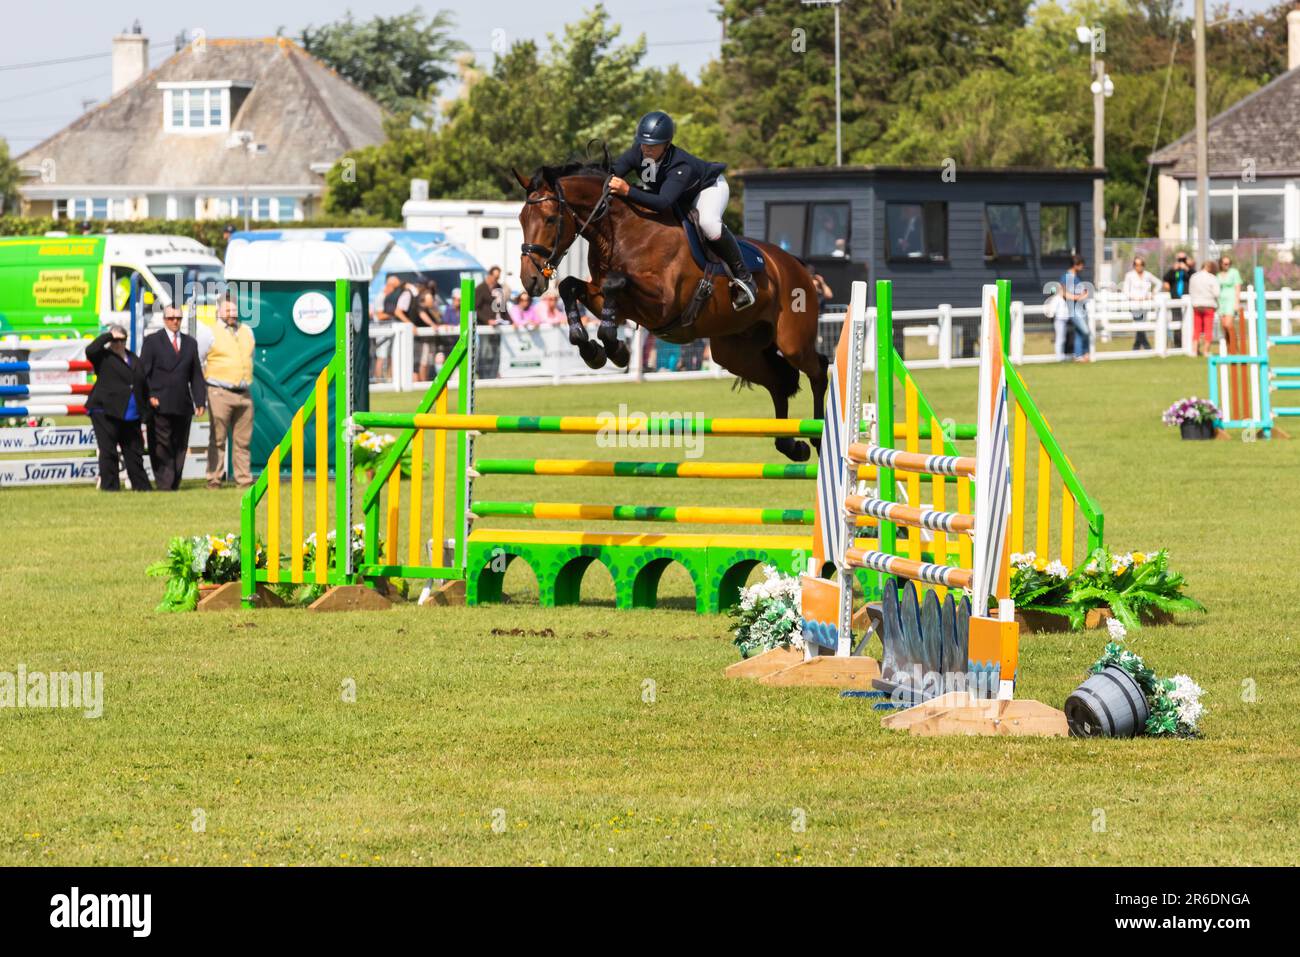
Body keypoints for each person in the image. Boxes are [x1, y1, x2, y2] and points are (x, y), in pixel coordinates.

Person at [608, 110, 756, 311]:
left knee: (709, 224)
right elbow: (610, 173)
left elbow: (662, 202)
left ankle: (744, 278)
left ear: (667, 144)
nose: (646, 149)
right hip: (677, 195)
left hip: (708, 189)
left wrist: (627, 190)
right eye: (643, 143)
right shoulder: (638, 151)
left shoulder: (680, 164)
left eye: (653, 146)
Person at [140, 305, 206, 491]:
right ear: (164, 320)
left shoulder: (190, 343)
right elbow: (143, 373)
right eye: (171, 318)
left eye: (178, 318)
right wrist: (150, 396)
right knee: (162, 445)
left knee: (180, 445)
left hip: (183, 403)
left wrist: (200, 400)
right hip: (159, 404)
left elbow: (196, 375)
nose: (175, 321)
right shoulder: (152, 342)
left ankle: (174, 482)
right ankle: (165, 483)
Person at [85, 324, 152, 491]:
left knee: (134, 453)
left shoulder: (133, 359)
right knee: (108, 452)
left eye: (121, 340)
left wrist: (145, 409)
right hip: (105, 411)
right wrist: (108, 335)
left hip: (130, 414)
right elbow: (90, 350)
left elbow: (142, 384)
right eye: (115, 340)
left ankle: (142, 486)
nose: (118, 344)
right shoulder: (102, 356)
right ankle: (110, 487)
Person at [204, 296, 255, 489]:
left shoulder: (247, 331)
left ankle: (243, 479)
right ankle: (214, 478)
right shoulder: (209, 332)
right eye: (228, 311)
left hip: (244, 391)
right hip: (219, 391)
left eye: (234, 311)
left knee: (243, 440)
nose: (232, 314)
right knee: (217, 438)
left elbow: (251, 357)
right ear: (219, 312)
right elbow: (200, 360)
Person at [1121, 256, 1160, 350]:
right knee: (1139, 324)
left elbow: (1159, 283)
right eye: (1136, 265)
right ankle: (1147, 347)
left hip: (1145, 304)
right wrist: (1134, 297)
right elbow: (1125, 290)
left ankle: (1136, 347)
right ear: (1134, 266)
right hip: (1134, 304)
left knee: (1141, 325)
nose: (1139, 267)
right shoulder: (1129, 275)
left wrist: (1152, 294)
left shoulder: (1147, 275)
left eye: (1141, 264)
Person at [1061, 255, 1091, 362]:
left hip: (1081, 307)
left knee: (1079, 332)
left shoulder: (1076, 276)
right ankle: (1084, 352)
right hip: (1073, 308)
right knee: (1085, 331)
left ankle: (1079, 356)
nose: (1083, 266)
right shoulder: (1067, 276)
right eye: (1081, 264)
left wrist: (1084, 294)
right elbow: (1064, 294)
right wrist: (1078, 297)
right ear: (1075, 264)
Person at [1188, 259, 1221, 357]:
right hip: (1209, 305)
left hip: (1196, 305)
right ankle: (1206, 351)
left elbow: (1191, 291)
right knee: (1208, 329)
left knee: (1196, 328)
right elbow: (1217, 293)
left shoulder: (1193, 277)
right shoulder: (1212, 278)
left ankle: (1194, 351)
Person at [1162, 252, 1193, 349]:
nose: (1181, 262)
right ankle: (1178, 344)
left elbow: (1194, 277)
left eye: (1183, 259)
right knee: (1176, 321)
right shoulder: (1174, 271)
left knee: (1189, 322)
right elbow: (1165, 278)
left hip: (1188, 300)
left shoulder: (1189, 270)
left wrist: (1187, 269)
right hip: (1175, 299)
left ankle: (1189, 344)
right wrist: (1172, 269)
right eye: (1180, 259)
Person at [1217, 254, 1243, 348]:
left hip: (1231, 300)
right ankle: (1229, 347)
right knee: (1224, 326)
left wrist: (1237, 302)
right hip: (1221, 301)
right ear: (1221, 264)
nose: (1227, 265)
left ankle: (1234, 345)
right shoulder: (1218, 274)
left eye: (1228, 263)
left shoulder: (1234, 272)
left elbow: (1237, 287)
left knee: (1229, 324)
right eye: (1225, 263)